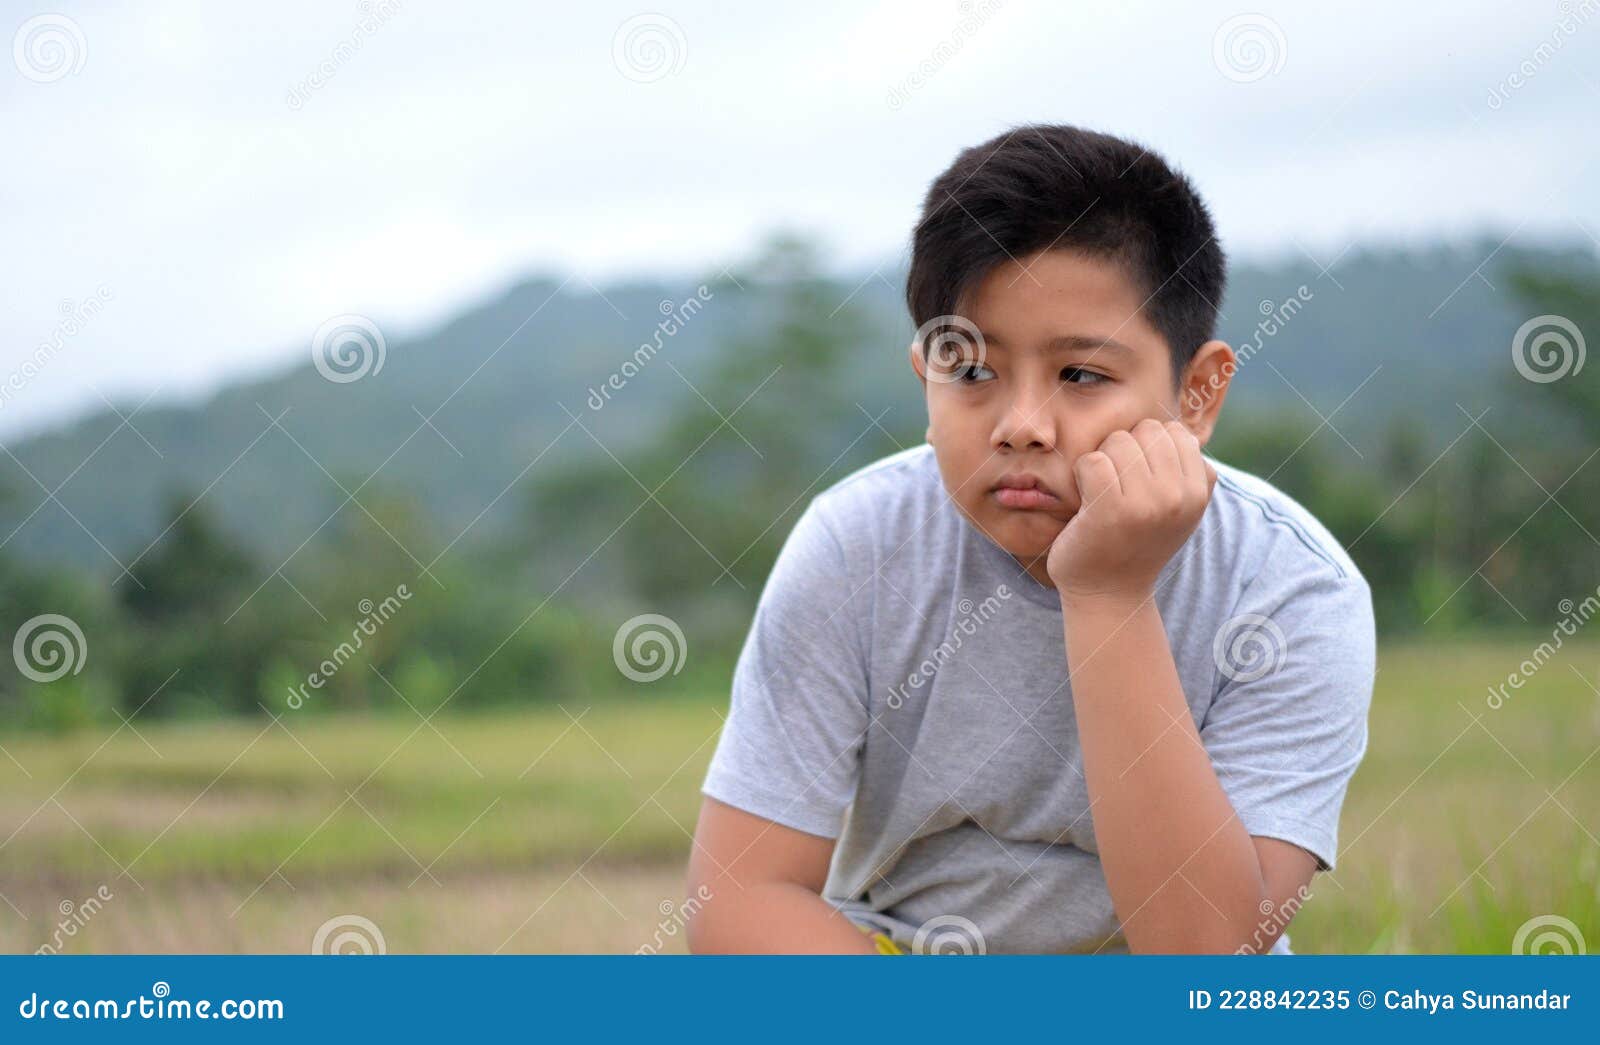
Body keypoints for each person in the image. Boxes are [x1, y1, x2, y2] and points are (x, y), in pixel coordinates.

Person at [684, 123, 1375, 954]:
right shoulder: (857, 546)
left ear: (1198, 392)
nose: (1021, 426)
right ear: (925, 377)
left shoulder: (1288, 587)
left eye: (1082, 375)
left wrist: (1110, 595)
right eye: (972, 371)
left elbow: (1208, 962)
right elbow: (742, 898)